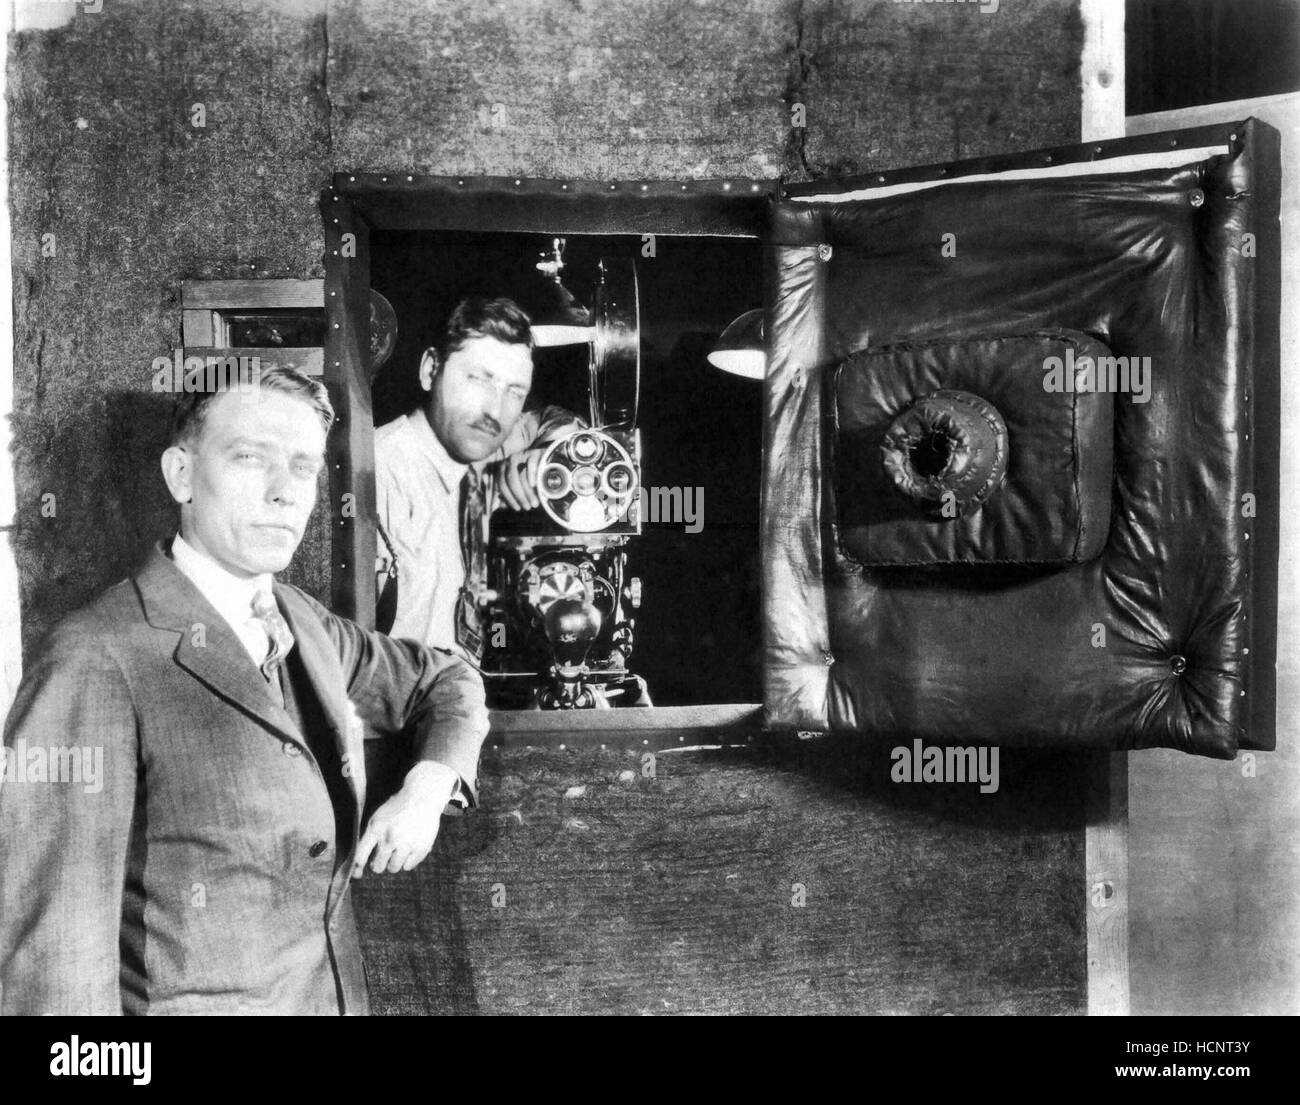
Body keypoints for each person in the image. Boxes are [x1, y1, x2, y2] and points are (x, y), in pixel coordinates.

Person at [0, 367, 489, 1015]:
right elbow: (53, 974)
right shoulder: (95, 656)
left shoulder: (302, 622)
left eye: (304, 466)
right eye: (250, 457)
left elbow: (446, 678)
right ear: (181, 476)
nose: (286, 492)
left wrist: (427, 789)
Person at [373, 296, 584, 657]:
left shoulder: (474, 452)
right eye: (478, 379)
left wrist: (547, 452)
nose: (494, 410)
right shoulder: (380, 470)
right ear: (430, 370)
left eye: (514, 391)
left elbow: (553, 417)